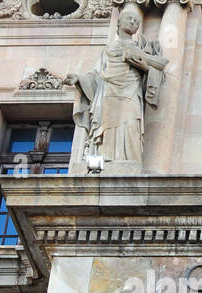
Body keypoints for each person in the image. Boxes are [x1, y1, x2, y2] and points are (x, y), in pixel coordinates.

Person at [65, 4, 166, 171]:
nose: (133, 22)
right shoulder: (109, 50)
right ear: (118, 23)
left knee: (131, 124)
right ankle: (105, 162)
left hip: (131, 93)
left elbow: (158, 71)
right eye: (129, 18)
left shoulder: (142, 48)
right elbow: (97, 74)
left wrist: (144, 67)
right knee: (106, 128)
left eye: (136, 21)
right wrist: (79, 79)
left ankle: (128, 162)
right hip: (108, 93)